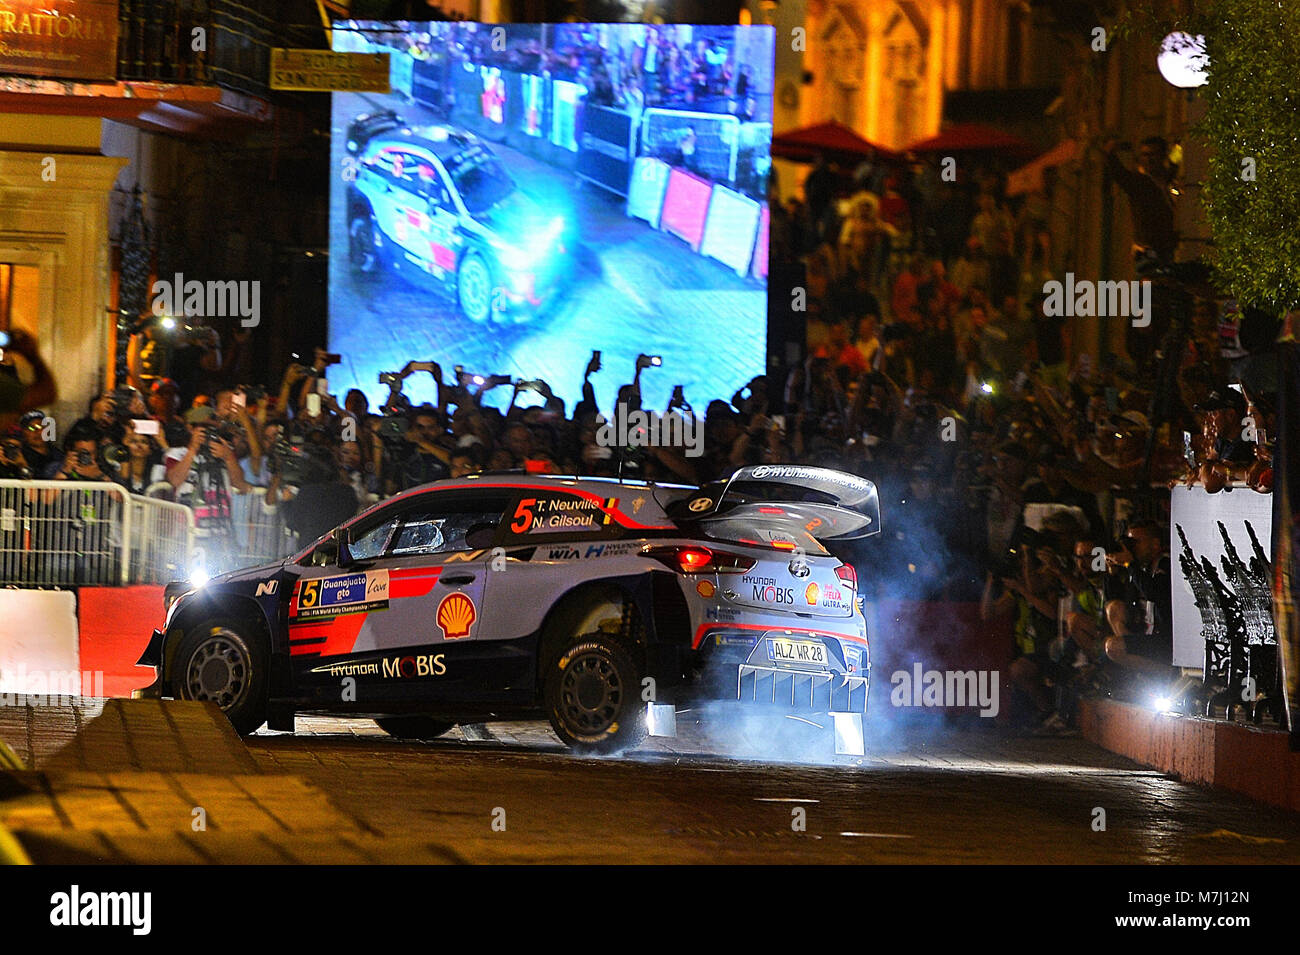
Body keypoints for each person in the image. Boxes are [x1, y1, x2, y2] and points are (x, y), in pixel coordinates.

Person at [1104, 519, 1174, 677]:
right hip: (1144, 632)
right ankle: (1140, 675)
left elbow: (1153, 592)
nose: (1132, 549)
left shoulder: (1166, 564)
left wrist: (1130, 565)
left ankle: (1168, 674)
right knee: (1113, 609)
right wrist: (1112, 573)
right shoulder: (1139, 569)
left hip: (1166, 640)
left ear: (1155, 544)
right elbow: (1112, 601)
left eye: (1135, 543)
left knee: (1113, 647)